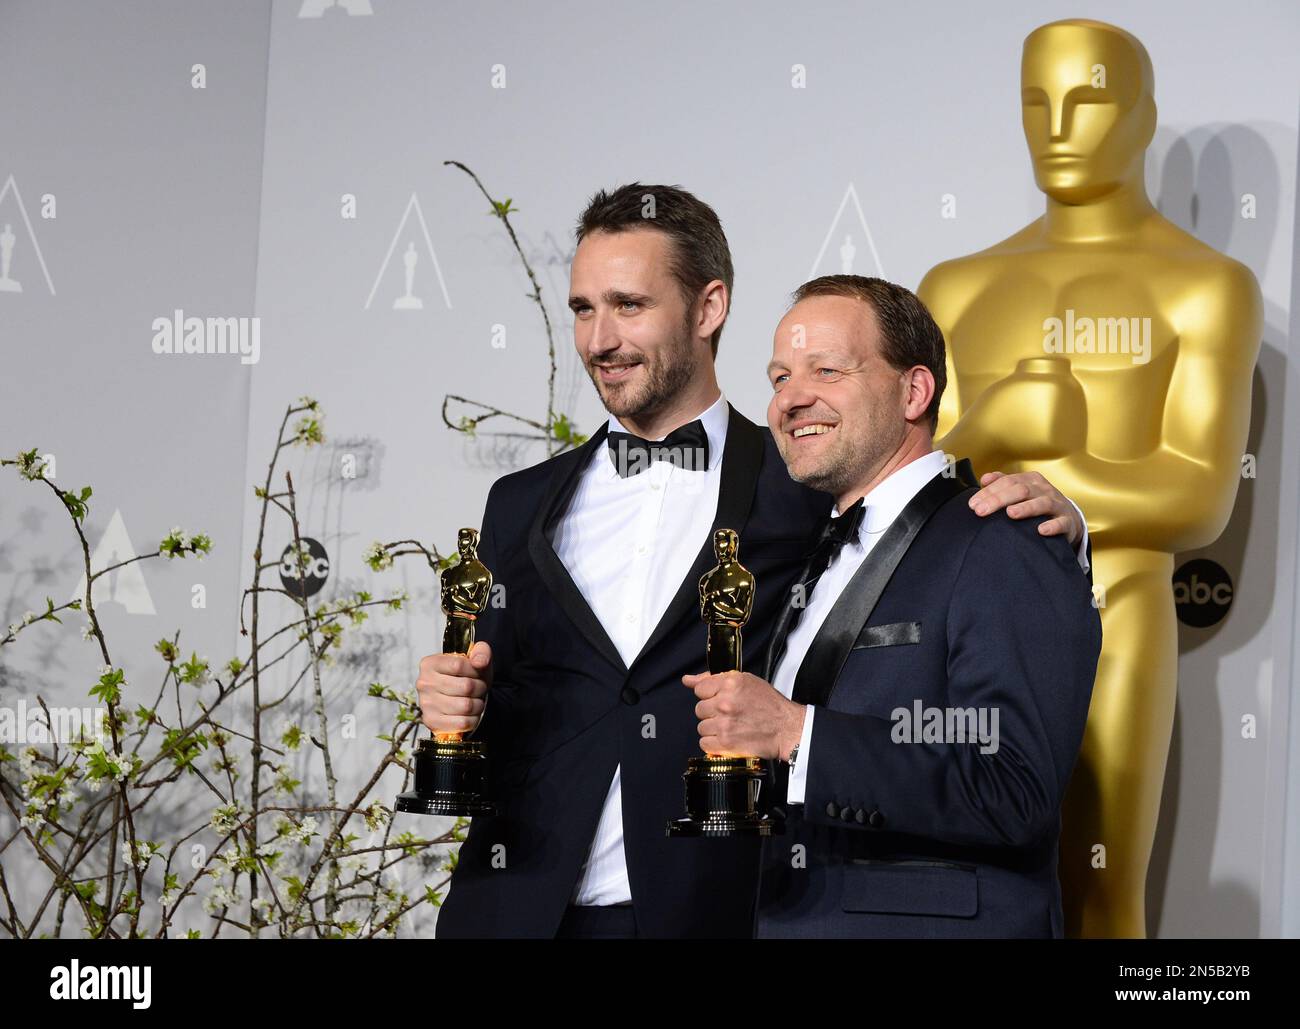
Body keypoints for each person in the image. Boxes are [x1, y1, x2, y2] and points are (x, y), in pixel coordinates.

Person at [420, 185, 1089, 938]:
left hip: (709, 909)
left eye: (630, 305)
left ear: (708, 309)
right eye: (582, 308)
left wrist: (1062, 521)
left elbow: (918, 523)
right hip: (516, 906)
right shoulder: (520, 502)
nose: (601, 338)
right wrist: (460, 712)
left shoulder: (804, 487)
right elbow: (529, 697)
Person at [682, 275, 1101, 938]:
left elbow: (1015, 789)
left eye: (827, 369)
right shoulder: (800, 550)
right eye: (779, 377)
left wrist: (797, 734)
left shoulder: (1005, 536)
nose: (792, 398)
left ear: (913, 390)